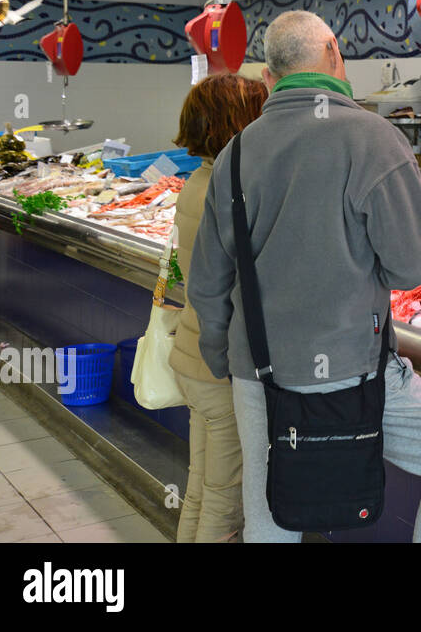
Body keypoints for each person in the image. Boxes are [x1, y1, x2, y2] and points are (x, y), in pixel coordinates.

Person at [189, 10, 421, 542]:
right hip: (352, 371)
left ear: (269, 78)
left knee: (269, 509)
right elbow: (415, 264)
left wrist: (224, 358)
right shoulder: (374, 138)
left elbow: (208, 281)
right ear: (334, 55)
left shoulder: (235, 154)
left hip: (257, 371)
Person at [168, 72, 268, 542]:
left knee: (201, 488)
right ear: (239, 123)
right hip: (220, 368)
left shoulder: (200, 178)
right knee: (225, 505)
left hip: (192, 358)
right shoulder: (229, 190)